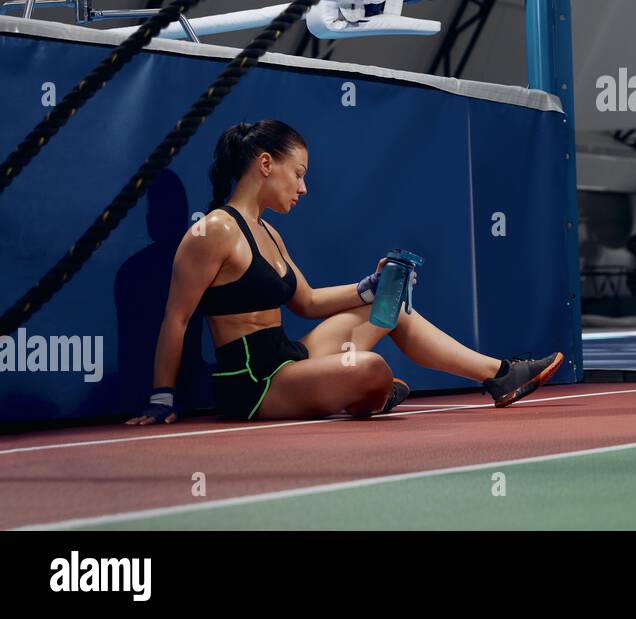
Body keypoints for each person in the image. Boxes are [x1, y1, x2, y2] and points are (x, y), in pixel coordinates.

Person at [127, 119, 562, 425]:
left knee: (392, 310)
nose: (303, 187)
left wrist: (372, 287)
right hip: (254, 384)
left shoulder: (270, 233)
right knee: (372, 369)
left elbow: (310, 301)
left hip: (288, 358)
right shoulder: (213, 230)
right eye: (297, 174)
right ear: (264, 164)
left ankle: (499, 375)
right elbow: (177, 318)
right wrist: (162, 396)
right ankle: (364, 392)